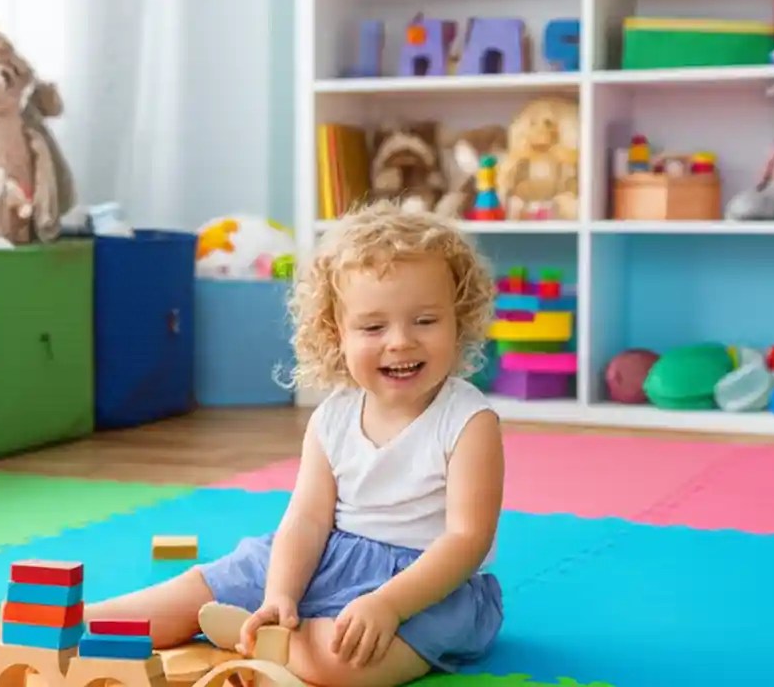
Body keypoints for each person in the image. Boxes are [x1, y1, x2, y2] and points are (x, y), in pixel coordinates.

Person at [83, 201, 506, 686]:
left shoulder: (469, 421)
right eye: (373, 327)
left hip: (428, 585)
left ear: (459, 319)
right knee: (208, 584)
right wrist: (279, 593)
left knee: (342, 662)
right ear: (336, 334)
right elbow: (306, 520)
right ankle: (88, 620)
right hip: (328, 556)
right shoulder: (332, 418)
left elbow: (465, 542)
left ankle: (256, 644)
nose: (400, 342)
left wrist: (387, 604)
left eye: (425, 321)